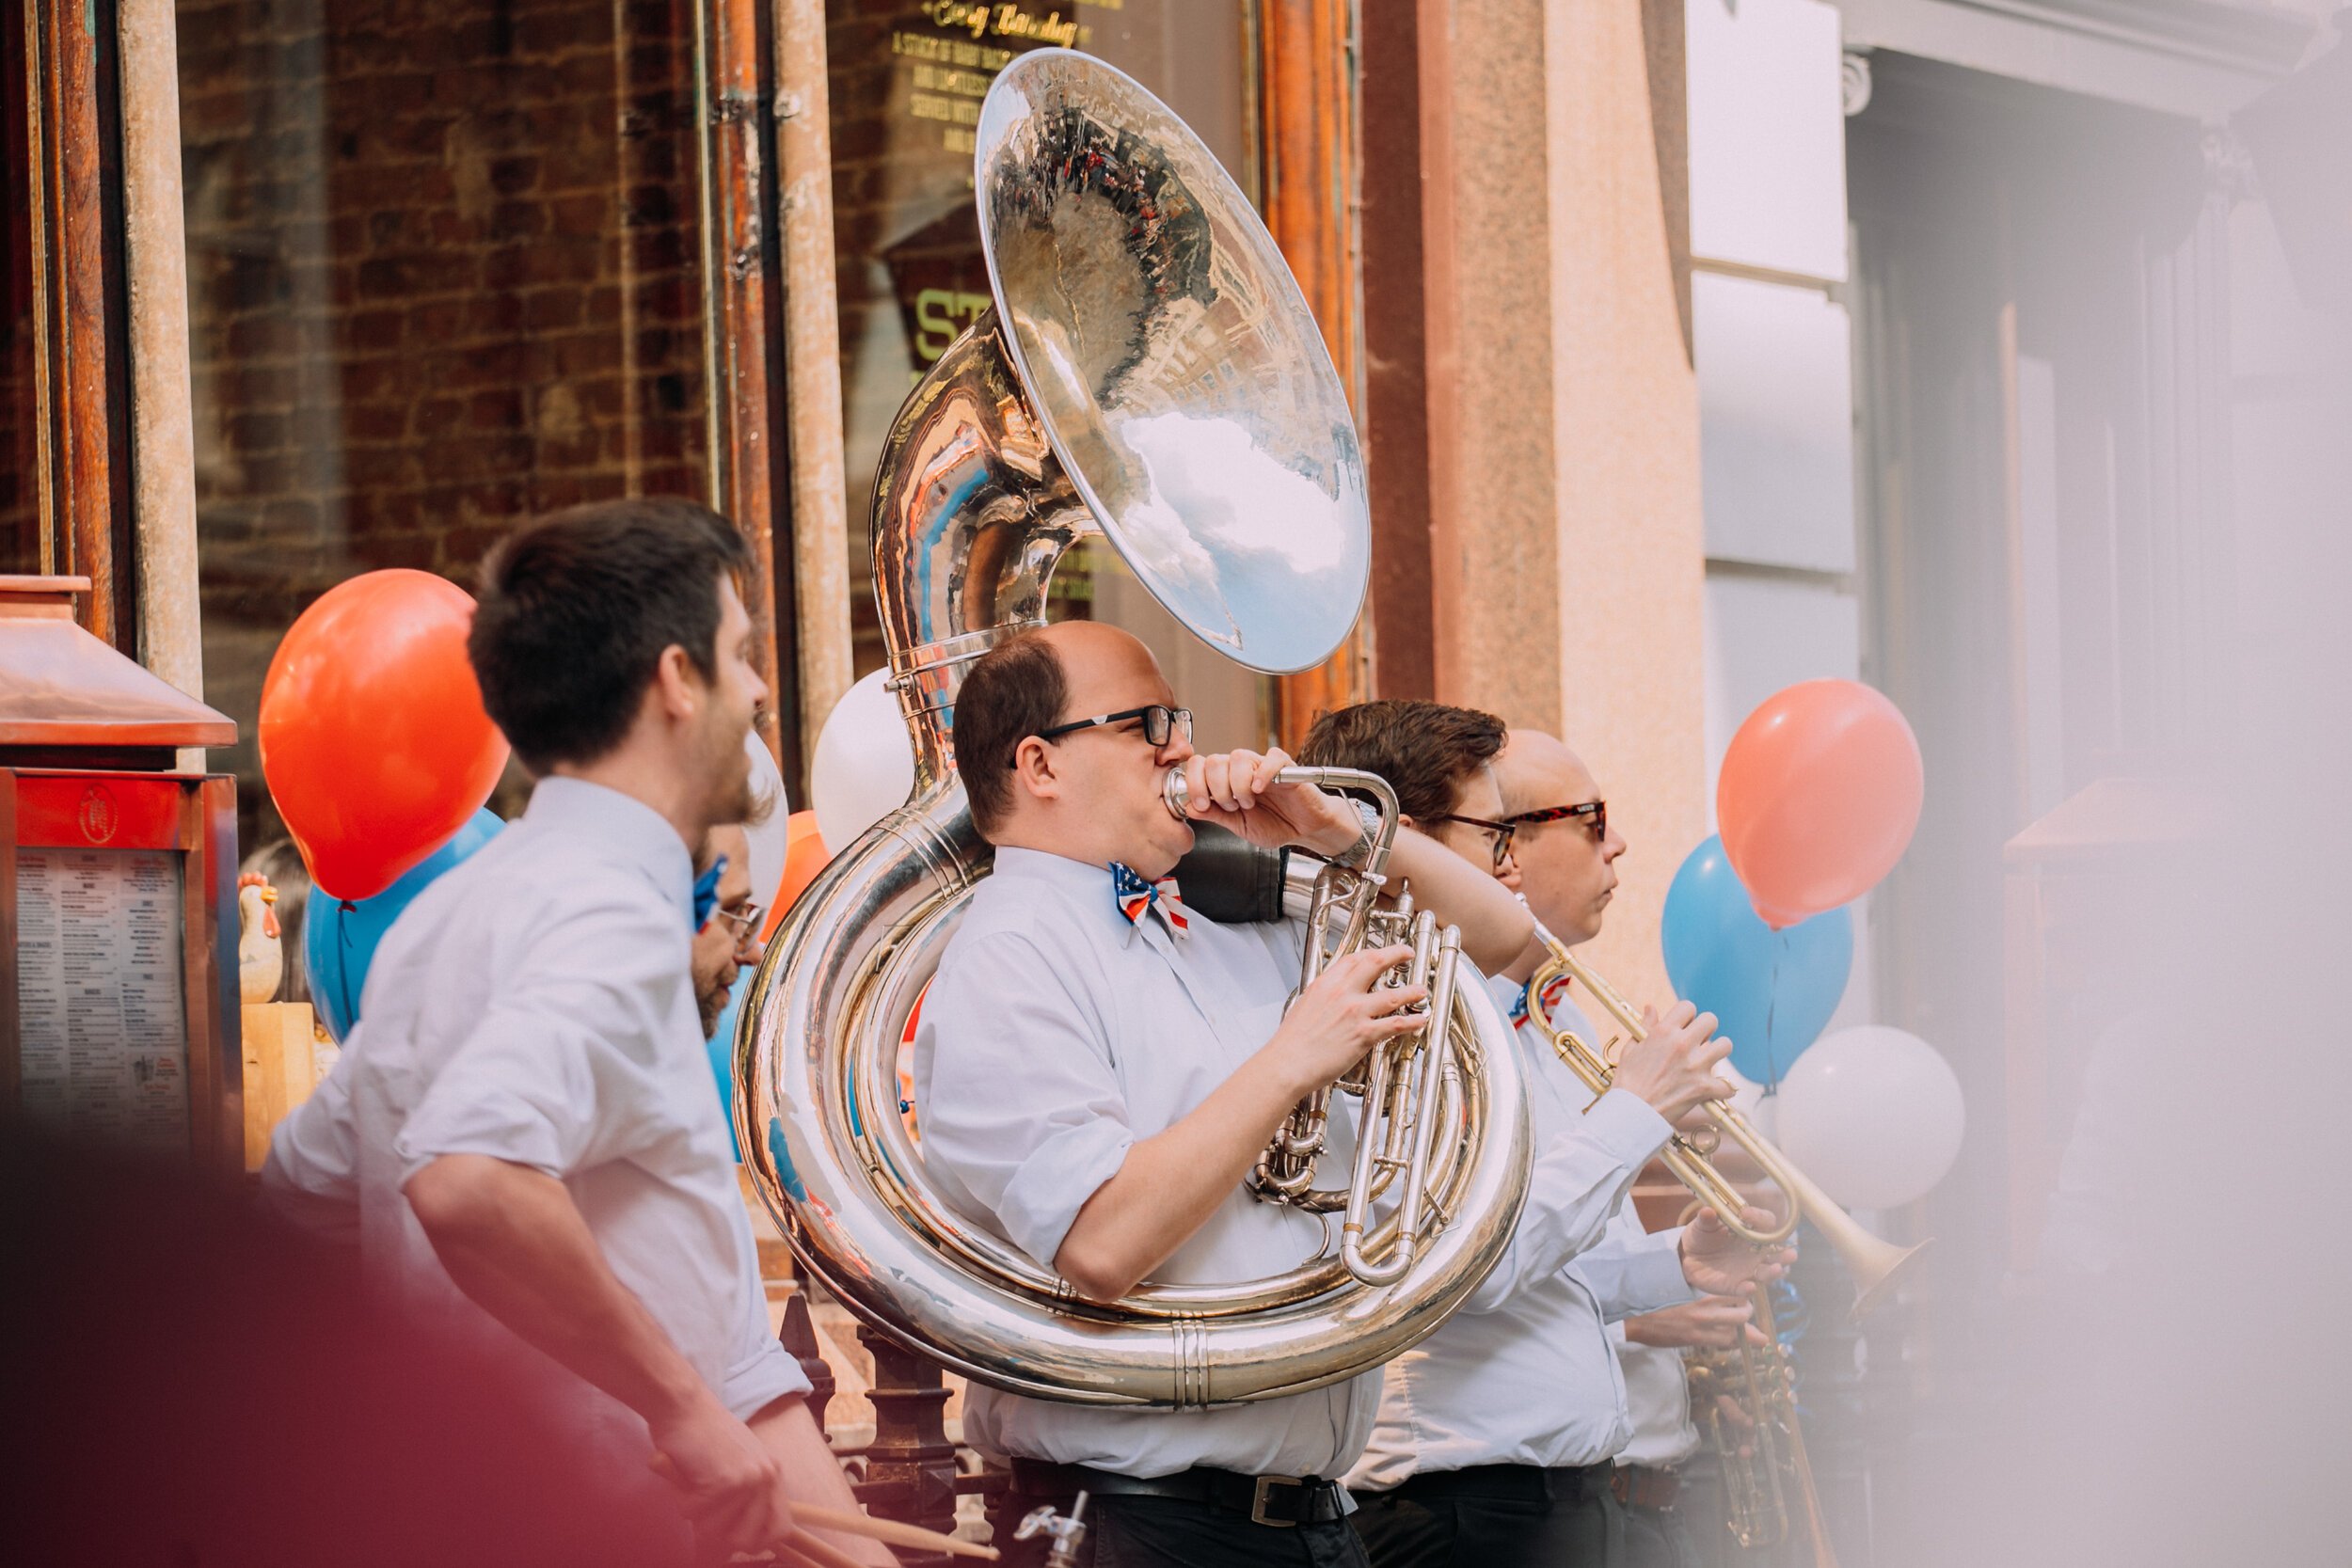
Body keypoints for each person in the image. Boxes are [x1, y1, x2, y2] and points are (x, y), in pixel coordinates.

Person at [262, 499, 888, 1567]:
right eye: (740, 655)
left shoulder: (450, 917)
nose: (758, 689)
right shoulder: (608, 915)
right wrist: (678, 1409)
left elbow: (296, 1198)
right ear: (675, 680)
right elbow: (469, 1176)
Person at [913, 622, 1534, 1568]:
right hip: (1140, 1522)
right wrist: (1291, 1058)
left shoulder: (1213, 914)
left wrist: (1336, 832)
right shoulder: (1009, 955)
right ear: (1039, 763)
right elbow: (1102, 1239)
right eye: (1143, 723)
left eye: (1180, 718)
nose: (1180, 745)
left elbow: (1502, 939)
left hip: (1306, 1517)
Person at [1299, 703, 1787, 1568]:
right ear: (1403, 841)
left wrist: (1676, 1263)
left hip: (1546, 1500)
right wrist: (1634, 1111)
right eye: (1495, 837)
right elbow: (1464, 1268)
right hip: (1460, 1507)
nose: (1511, 864)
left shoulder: (1486, 1008)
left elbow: (1547, 1273)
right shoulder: (1386, 1010)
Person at [1498, 725, 1766, 1568]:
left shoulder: (1557, 1011)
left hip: (1608, 1488)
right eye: (1590, 817)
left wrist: (1681, 1259)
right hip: (1503, 1502)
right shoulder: (1450, 1026)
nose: (1617, 842)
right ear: (1503, 846)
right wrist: (1637, 1108)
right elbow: (1486, 1266)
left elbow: (1571, 1259)